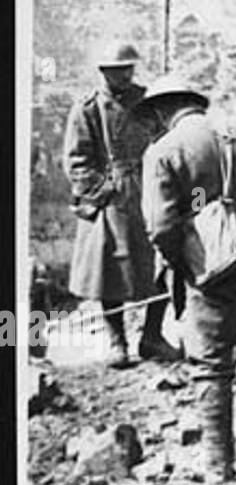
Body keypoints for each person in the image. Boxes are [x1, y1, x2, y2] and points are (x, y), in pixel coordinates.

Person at [137, 75, 236, 482]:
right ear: (195, 102)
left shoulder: (163, 150)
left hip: (211, 268)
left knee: (212, 365)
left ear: (161, 110)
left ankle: (218, 463)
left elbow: (160, 226)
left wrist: (187, 264)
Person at [62, 42, 182, 367]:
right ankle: (117, 341)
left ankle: (153, 337)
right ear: (104, 72)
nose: (125, 75)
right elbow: (77, 161)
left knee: (166, 257)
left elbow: (167, 139)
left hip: (152, 187)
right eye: (118, 70)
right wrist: (104, 191)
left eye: (129, 68)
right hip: (113, 199)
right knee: (110, 271)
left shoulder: (148, 101)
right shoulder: (87, 108)